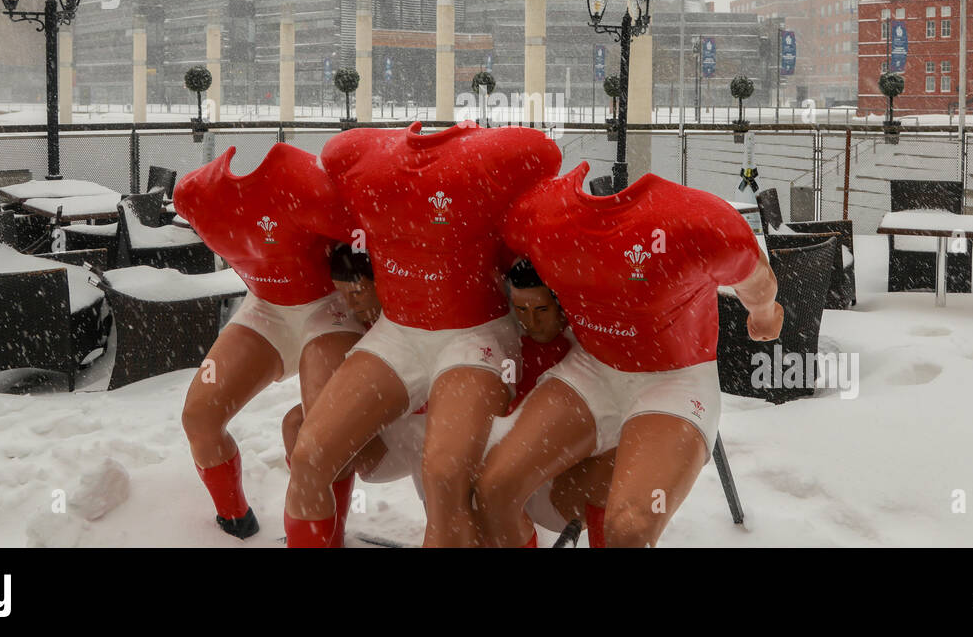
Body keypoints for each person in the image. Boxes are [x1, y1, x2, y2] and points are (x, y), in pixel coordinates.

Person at [476, 161, 784, 548]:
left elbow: (756, 277)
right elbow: (758, 283)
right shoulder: (539, 216)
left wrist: (765, 313)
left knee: (631, 529)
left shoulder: (695, 224)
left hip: (675, 379)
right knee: (494, 489)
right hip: (594, 367)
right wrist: (764, 316)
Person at [284, 121, 562, 548]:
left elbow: (542, 155)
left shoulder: (363, 152)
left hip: (474, 334)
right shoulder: (356, 152)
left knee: (446, 477)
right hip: (399, 332)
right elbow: (543, 151)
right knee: (310, 454)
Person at [282, 255, 614, 546]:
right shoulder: (410, 328)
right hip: (443, 449)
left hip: (521, 471)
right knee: (300, 426)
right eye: (522, 309)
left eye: (541, 309)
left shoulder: (571, 348)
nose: (531, 320)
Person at [174, 143, 365, 541]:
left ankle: (328, 533)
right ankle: (234, 519)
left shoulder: (306, 183)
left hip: (328, 307)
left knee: (321, 433)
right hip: (266, 307)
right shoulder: (193, 195)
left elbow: (371, 236)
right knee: (200, 417)